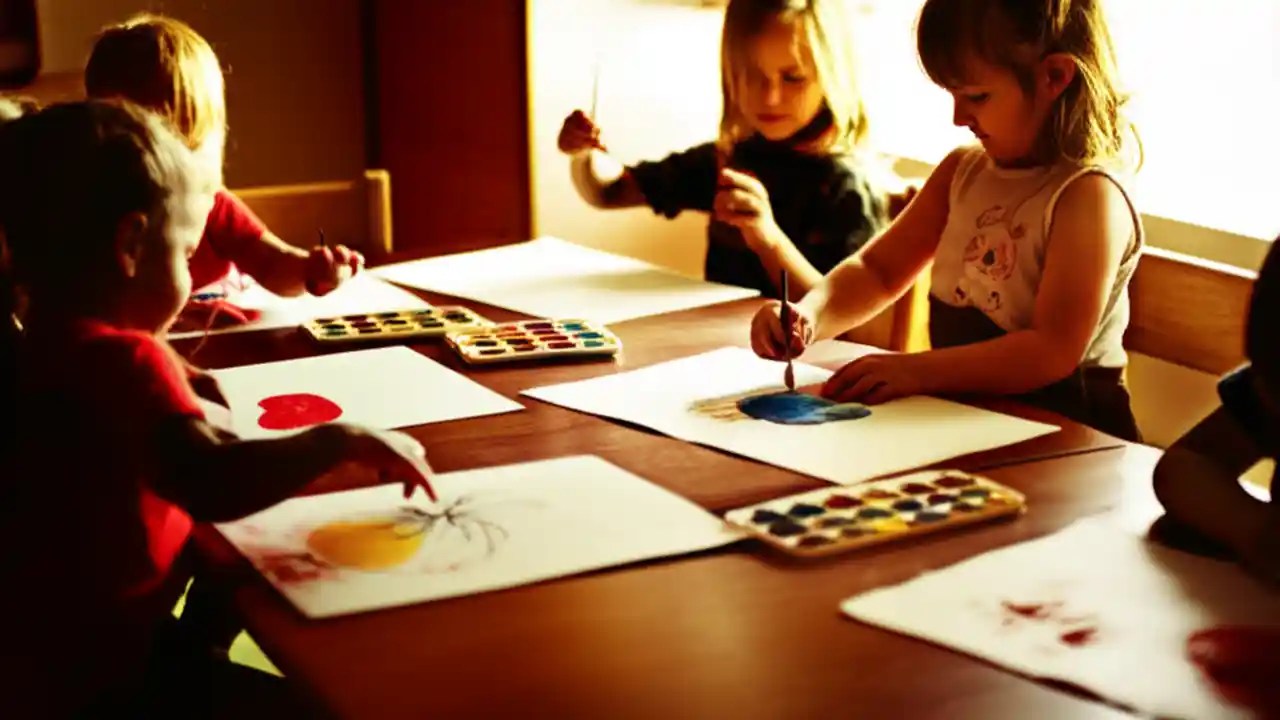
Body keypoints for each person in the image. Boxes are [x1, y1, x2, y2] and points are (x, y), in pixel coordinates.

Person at [0, 99, 434, 717]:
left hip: (45, 646)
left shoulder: (40, 338)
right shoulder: (125, 362)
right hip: (102, 674)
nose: (187, 268)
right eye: (183, 253)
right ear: (131, 244)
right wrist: (337, 441)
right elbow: (210, 480)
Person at [751, 0, 1144, 441]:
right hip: (971, 421)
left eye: (976, 96)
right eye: (952, 95)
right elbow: (877, 271)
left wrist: (914, 370)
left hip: (1073, 440)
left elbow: (1051, 351)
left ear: (1054, 76)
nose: (958, 117)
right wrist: (809, 315)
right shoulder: (962, 173)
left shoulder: (1087, 196)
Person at [557, 0, 891, 300]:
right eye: (751, 75)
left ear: (832, 76)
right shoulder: (729, 158)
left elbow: (845, 317)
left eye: (793, 78)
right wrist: (582, 154)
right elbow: (606, 193)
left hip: (805, 366)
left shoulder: (847, 186)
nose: (770, 96)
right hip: (720, 351)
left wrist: (768, 240)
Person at [84, 14, 362, 326]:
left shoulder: (212, 205)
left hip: (228, 347)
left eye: (192, 140)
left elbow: (272, 265)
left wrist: (311, 274)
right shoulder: (96, 217)